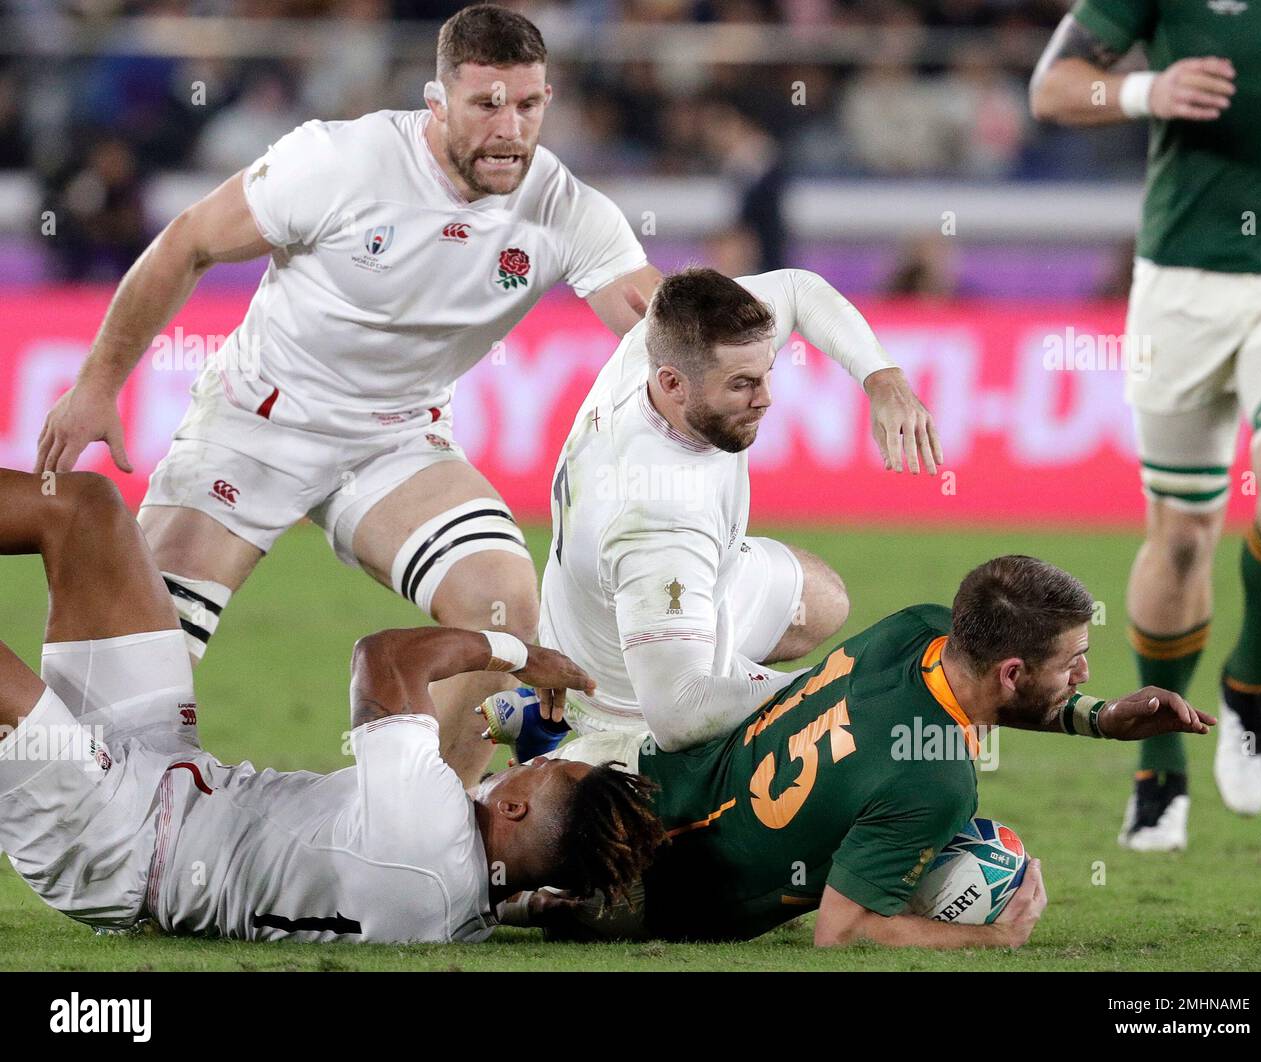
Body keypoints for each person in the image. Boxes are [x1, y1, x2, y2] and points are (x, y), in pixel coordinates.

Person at [34, 4, 661, 788]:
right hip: (257, 425)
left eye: (529, 105)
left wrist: (784, 343)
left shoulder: (562, 208)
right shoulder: (340, 162)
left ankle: (432, 829)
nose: (510, 128)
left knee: (501, 604)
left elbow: (662, 328)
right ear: (438, 103)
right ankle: (49, 798)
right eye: (487, 104)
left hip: (395, 442)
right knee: (135, 664)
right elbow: (187, 242)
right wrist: (96, 384)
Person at [0, 468, 664, 943]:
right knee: (84, 508)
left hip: (113, 839)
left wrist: (518, 653)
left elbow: (384, 658)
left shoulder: (424, 838)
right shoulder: (465, 897)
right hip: (166, 767)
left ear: (515, 807)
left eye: (540, 770)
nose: (521, 765)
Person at [526, 556, 1215, 947]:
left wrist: (1101, 720)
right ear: (1011, 670)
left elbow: (1005, 692)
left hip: (616, 772)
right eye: (1075, 664)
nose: (1084, 678)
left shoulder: (916, 630)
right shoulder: (936, 784)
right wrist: (993, 939)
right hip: (629, 884)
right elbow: (843, 931)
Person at [1030, 1, 1261, 849]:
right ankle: (1161, 766)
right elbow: (1052, 90)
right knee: (1183, 538)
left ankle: (1250, 682)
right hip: (1180, 283)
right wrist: (1147, 88)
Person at [483, 266, 940, 760]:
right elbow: (681, 714)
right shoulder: (658, 518)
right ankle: (573, 731)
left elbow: (797, 289)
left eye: (767, 373)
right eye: (742, 384)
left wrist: (882, 377)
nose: (766, 398)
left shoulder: (654, 346)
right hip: (631, 697)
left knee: (822, 601)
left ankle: (546, 700)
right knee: (837, 760)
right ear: (674, 383)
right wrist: (846, 692)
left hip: (619, 596)